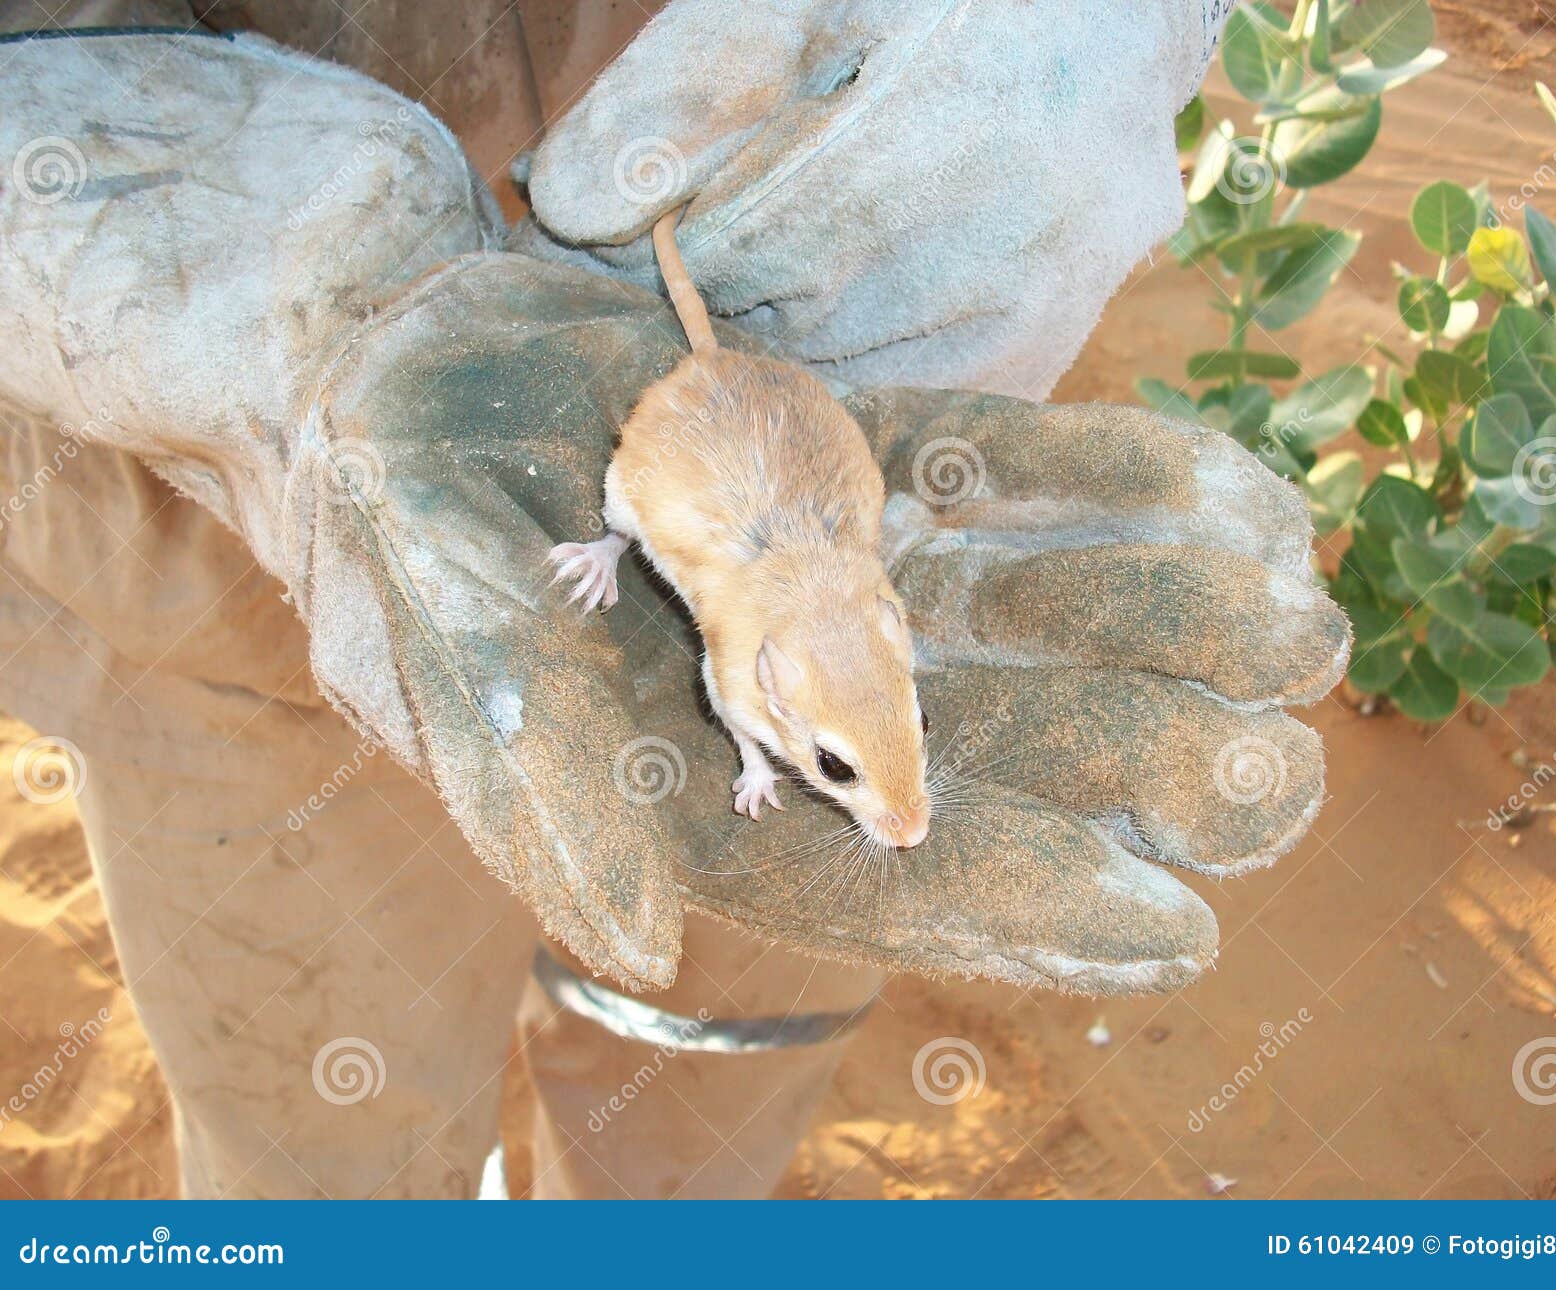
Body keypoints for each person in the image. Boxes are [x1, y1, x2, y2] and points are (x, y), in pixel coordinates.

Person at [0, 0, 1344, 1200]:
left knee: (716, 1066)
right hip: (210, 591)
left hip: (852, 342)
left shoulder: (857, 662)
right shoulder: (741, 672)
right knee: (324, 1151)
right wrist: (288, 305)